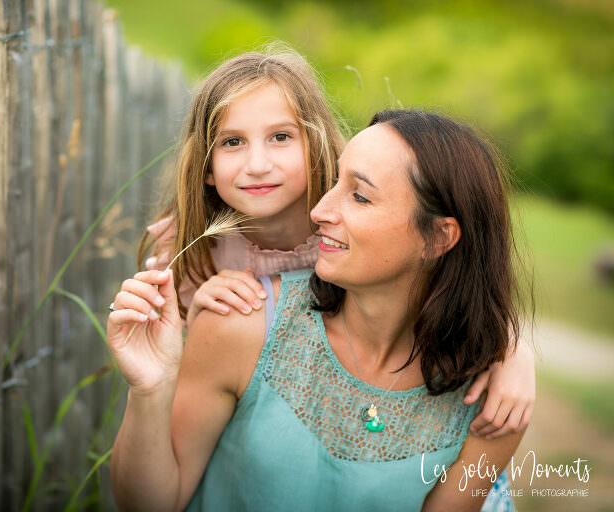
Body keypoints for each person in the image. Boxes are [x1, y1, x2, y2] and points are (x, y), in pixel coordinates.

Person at [107, 110, 530, 511]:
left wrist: (514, 349)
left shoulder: (490, 404)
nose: (320, 211)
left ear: (438, 238)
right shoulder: (241, 322)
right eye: (334, 182)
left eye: (359, 196)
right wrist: (149, 390)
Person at [139, 48, 534, 444]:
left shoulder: (347, 224)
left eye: (280, 137)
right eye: (231, 142)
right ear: (206, 166)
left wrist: (513, 352)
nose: (257, 164)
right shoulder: (190, 244)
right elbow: (178, 358)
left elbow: (458, 282)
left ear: (314, 142)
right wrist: (200, 301)